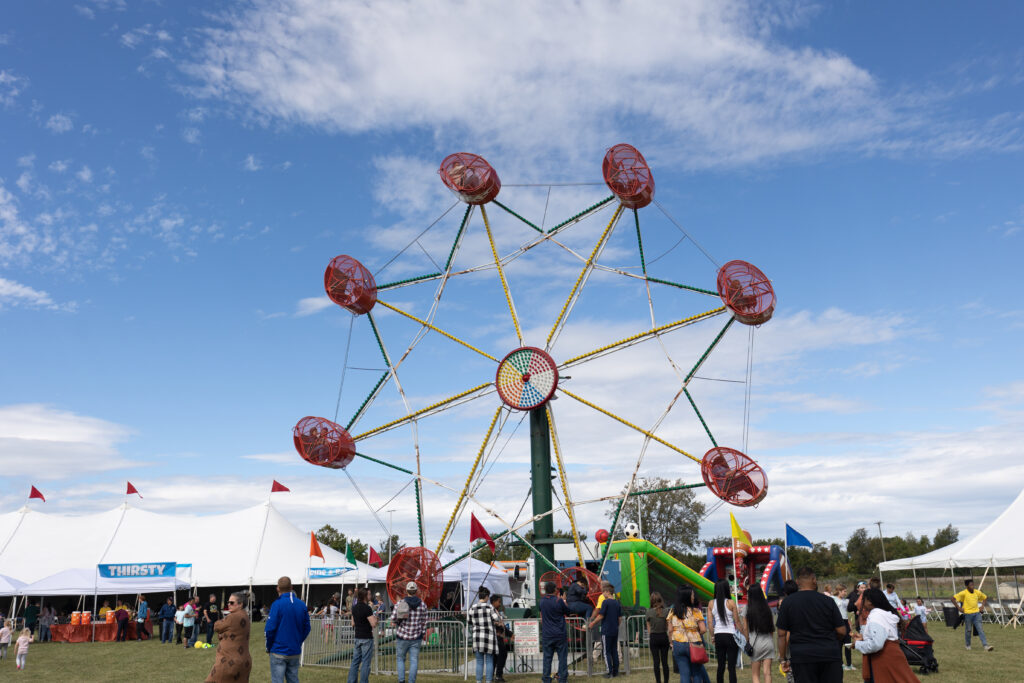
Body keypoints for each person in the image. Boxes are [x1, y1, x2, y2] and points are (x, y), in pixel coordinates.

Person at [775, 566, 846, 683]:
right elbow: (841, 631)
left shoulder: (787, 602)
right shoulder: (828, 601)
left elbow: (781, 635)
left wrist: (783, 659)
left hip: (802, 657)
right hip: (829, 654)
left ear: (797, 582)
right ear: (814, 580)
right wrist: (832, 640)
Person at [851, 588, 921, 682]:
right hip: (891, 655)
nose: (861, 602)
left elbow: (877, 644)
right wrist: (864, 638)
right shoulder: (882, 614)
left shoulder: (876, 615)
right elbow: (885, 635)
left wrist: (858, 644)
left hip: (884, 658)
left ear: (870, 602)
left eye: (863, 599)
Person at [266, 576, 311, 683]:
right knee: (293, 679)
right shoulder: (301, 604)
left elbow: (270, 629)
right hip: (294, 650)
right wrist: (298, 641)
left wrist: (269, 646)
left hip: (278, 650)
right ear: (291, 587)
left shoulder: (277, 604)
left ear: (278, 588)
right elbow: (307, 627)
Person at [206, 591, 252, 683]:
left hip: (229, 662)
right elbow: (234, 633)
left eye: (231, 602)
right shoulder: (245, 616)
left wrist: (221, 630)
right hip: (244, 661)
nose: (228, 604)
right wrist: (223, 634)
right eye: (228, 602)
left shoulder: (232, 617)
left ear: (240, 604)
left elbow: (216, 626)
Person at [667, 586, 709, 683]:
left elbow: (670, 630)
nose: (693, 597)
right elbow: (703, 629)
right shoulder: (696, 611)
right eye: (692, 595)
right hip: (694, 643)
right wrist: (695, 633)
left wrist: (671, 643)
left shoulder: (673, 612)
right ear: (687, 597)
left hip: (678, 643)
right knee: (696, 672)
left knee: (684, 674)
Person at [707, 579, 746, 683]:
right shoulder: (731, 602)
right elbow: (737, 622)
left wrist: (712, 636)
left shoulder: (711, 603)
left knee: (721, 666)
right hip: (731, 635)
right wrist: (744, 635)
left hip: (718, 635)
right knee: (731, 667)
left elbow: (710, 623)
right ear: (726, 589)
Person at [392, 581, 430, 683]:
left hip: (402, 636)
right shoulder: (422, 605)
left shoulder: (400, 603)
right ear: (416, 591)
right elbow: (425, 621)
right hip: (416, 637)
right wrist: (422, 633)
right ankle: (411, 681)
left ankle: (401, 680)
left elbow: (393, 618)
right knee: (414, 660)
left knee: (400, 659)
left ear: (406, 591)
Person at [468, 587, 502, 683]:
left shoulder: (473, 607)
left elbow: (469, 621)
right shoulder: (489, 607)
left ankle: (478, 681)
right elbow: (497, 619)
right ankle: (488, 681)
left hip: (477, 637)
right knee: (489, 661)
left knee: (479, 661)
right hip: (489, 637)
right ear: (486, 596)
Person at [538, 580, 570, 683]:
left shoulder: (542, 601)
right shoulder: (558, 601)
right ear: (555, 590)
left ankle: (546, 679)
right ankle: (562, 678)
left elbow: (541, 613)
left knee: (547, 658)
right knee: (562, 658)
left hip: (547, 634)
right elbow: (568, 612)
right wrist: (564, 600)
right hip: (559, 634)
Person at [744, 584, 776, 683]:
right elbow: (771, 628)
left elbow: (745, 628)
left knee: (755, 675)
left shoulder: (747, 608)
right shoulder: (767, 608)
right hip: (768, 643)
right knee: (767, 673)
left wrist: (747, 641)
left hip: (755, 644)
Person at [589, 582, 622, 678]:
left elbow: (601, 615)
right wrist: (616, 625)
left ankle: (609, 672)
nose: (603, 594)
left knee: (606, 652)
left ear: (607, 592)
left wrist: (592, 623)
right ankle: (616, 671)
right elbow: (620, 618)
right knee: (614, 650)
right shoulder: (617, 603)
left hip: (606, 630)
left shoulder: (605, 602)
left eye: (603, 592)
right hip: (615, 630)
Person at [952, 579, 994, 651]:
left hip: (977, 614)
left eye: (973, 584)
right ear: (967, 586)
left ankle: (986, 646)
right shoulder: (963, 593)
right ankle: (968, 645)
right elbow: (953, 599)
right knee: (968, 630)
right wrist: (959, 608)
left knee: (980, 629)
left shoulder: (977, 592)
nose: (973, 586)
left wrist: (982, 606)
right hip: (968, 615)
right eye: (971, 585)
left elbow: (985, 597)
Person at [348, 587, 378, 683]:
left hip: (357, 637)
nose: (370, 596)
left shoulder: (354, 607)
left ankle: (351, 681)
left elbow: (352, 623)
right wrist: (376, 617)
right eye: (369, 594)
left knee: (355, 662)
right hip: (366, 638)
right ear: (365, 596)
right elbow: (373, 624)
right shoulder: (367, 608)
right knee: (365, 662)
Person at [646, 592, 670, 683]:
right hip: (663, 636)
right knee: (665, 662)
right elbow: (667, 626)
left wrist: (651, 633)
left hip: (654, 637)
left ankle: (658, 681)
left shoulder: (649, 612)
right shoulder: (666, 611)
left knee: (656, 662)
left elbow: (648, 627)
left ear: (651, 601)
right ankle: (666, 681)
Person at [490, 595, 511, 683]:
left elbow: (501, 624)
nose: (500, 604)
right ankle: (498, 675)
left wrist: (510, 634)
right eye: (498, 602)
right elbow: (495, 623)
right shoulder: (491, 610)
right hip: (496, 637)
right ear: (493, 602)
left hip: (499, 637)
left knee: (496, 657)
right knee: (502, 655)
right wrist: (499, 625)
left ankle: (493, 675)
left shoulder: (496, 610)